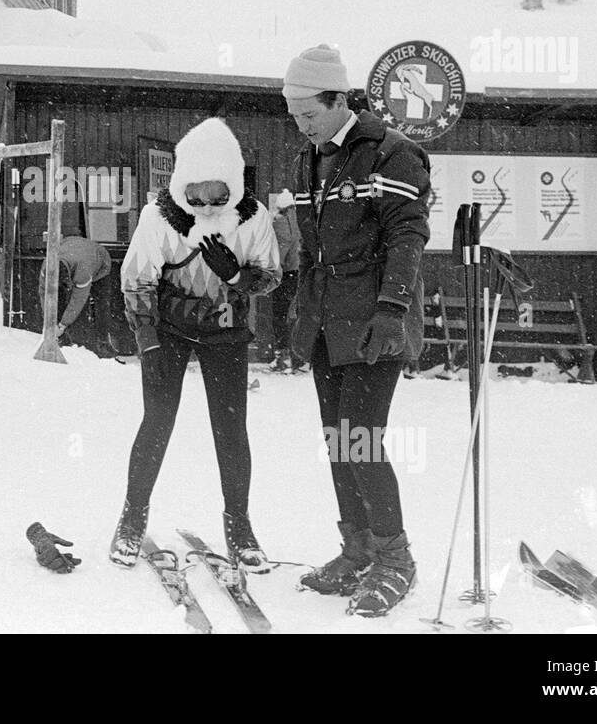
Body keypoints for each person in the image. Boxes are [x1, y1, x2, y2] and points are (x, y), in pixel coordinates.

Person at [283, 44, 431, 617]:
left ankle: (397, 561)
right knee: (337, 441)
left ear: (339, 99)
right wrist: (300, 317)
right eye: (293, 114)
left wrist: (392, 310)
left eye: (309, 113)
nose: (301, 124)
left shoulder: (391, 154)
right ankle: (359, 547)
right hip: (326, 324)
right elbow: (312, 250)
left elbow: (407, 238)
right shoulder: (308, 159)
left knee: (361, 439)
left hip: (373, 322)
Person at [112, 117, 281, 573]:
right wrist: (146, 339)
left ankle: (240, 526)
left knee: (231, 430)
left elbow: (270, 279)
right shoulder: (158, 218)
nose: (207, 206)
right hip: (169, 330)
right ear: (181, 186)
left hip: (225, 329)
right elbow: (136, 281)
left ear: (236, 186)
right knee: (157, 420)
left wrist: (235, 275)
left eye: (219, 196)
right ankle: (132, 517)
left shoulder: (254, 218)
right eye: (197, 195)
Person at [39, 235, 118, 358]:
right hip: (72, 246)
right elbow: (44, 293)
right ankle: (63, 339)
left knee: (101, 305)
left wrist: (63, 324)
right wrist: (50, 321)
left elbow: (78, 300)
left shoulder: (83, 269)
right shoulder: (47, 266)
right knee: (59, 298)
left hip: (99, 262)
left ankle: (103, 343)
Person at [267, 189, 305, 373]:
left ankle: (283, 356)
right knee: (296, 314)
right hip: (301, 272)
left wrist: (274, 269)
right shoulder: (301, 217)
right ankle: (300, 357)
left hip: (286, 274)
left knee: (280, 315)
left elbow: (281, 247)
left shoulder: (281, 220)